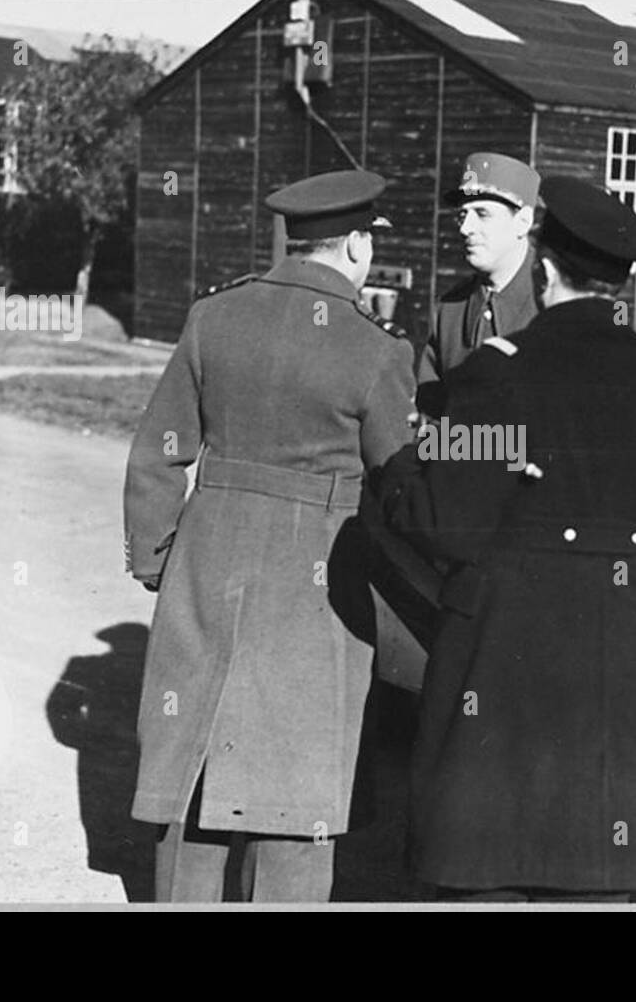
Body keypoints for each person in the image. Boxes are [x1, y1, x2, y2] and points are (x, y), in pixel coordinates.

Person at [377, 176, 636, 900]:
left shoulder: (500, 372)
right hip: (624, 646)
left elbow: (445, 523)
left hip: (502, 647)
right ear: (620, 281)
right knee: (599, 870)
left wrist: (402, 465)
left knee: (492, 867)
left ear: (544, 265)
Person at [123, 169, 415, 902]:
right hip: (317, 577)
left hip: (208, 555)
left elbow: (159, 451)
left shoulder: (212, 318)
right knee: (295, 793)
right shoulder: (377, 350)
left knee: (193, 777)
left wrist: (162, 560)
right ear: (354, 246)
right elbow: (402, 488)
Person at [416, 152, 539, 416]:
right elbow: (428, 414)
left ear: (523, 222)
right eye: (463, 215)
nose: (465, 228)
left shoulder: (552, 304)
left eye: (482, 214)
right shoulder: (450, 309)